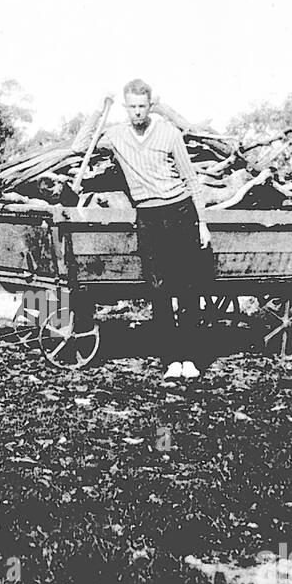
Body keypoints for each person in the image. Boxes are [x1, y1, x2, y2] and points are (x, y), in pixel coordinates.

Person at [72, 79, 209, 380]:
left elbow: (191, 180)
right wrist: (98, 110)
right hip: (148, 215)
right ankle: (172, 360)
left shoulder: (169, 133)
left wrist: (202, 223)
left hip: (180, 210)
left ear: (150, 106)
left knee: (187, 289)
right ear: (125, 107)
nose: (137, 112)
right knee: (158, 289)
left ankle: (190, 359)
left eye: (142, 106)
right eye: (132, 107)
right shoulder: (117, 135)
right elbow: (80, 146)